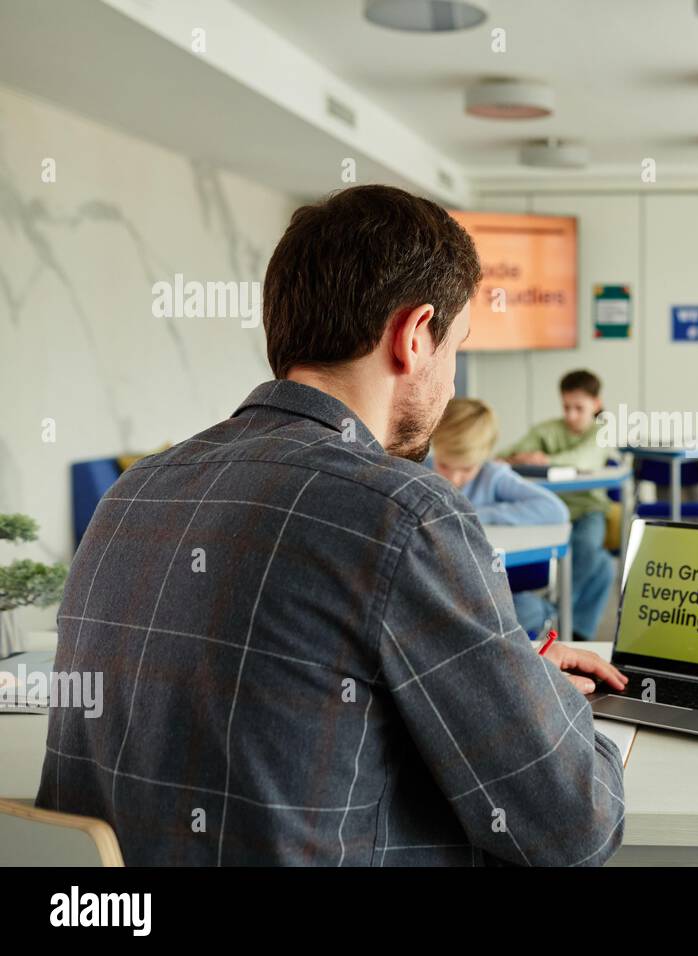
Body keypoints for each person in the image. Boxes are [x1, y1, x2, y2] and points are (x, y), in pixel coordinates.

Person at [37, 184, 626, 866]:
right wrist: (546, 699)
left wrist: (504, 680)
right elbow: (572, 826)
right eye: (456, 347)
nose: (454, 383)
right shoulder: (405, 511)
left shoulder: (133, 491)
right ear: (413, 336)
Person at [429, 398, 568, 636]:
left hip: (491, 589)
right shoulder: (419, 469)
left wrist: (475, 514)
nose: (454, 477)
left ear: (484, 457)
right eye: (444, 465)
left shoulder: (492, 476)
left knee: (524, 611)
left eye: (465, 469)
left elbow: (554, 509)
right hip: (440, 585)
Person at [500, 370, 615, 640]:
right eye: (566, 407)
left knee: (586, 546)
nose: (571, 415)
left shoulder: (603, 431)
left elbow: (583, 459)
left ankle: (553, 614)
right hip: (549, 511)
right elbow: (506, 456)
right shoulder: (546, 430)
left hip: (588, 509)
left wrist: (542, 459)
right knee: (603, 566)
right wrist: (524, 456)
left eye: (579, 408)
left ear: (596, 405)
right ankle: (576, 632)